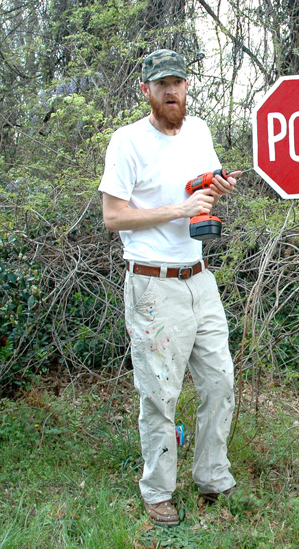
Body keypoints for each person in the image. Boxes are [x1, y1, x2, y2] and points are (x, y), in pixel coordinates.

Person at [98, 49, 240, 526]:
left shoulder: (199, 131)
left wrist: (216, 186)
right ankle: (159, 490)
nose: (172, 91)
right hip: (153, 285)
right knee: (160, 394)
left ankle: (212, 476)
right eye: (162, 84)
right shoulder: (127, 142)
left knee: (220, 382)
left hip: (200, 279)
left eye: (177, 82)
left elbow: (203, 183)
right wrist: (176, 211)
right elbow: (113, 216)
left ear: (186, 86)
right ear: (146, 91)